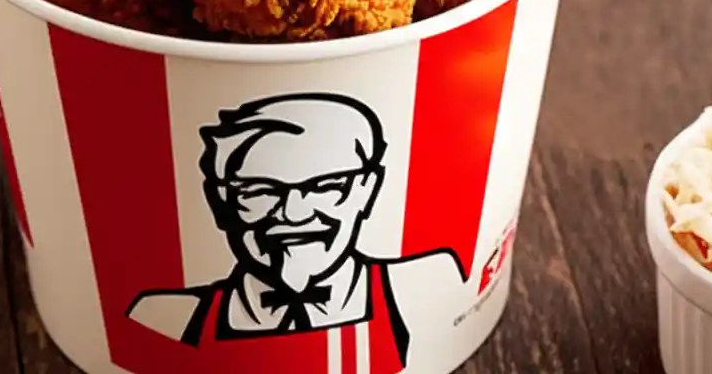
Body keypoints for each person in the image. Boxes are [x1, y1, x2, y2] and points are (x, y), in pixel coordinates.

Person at [128, 93, 466, 365]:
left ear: (367, 190)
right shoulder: (167, 317)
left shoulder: (421, 286)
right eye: (259, 191)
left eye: (326, 187)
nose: (294, 214)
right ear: (220, 202)